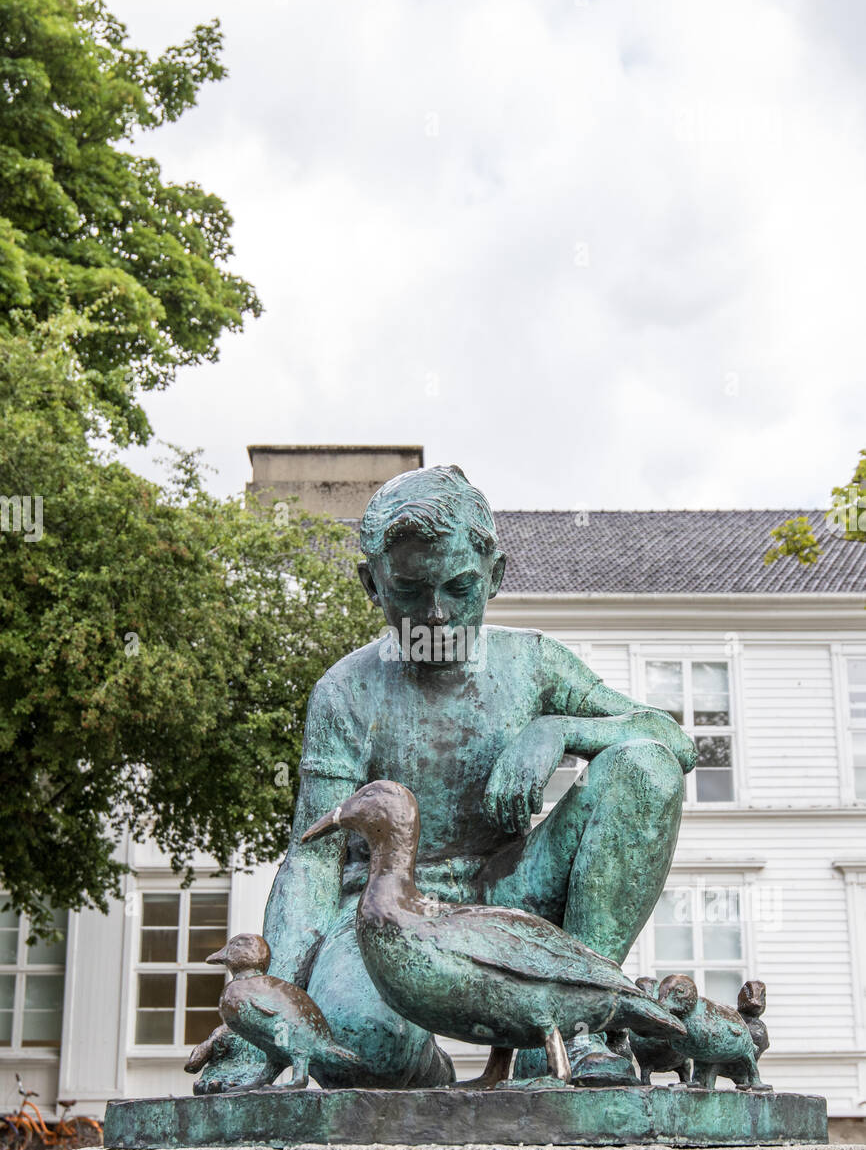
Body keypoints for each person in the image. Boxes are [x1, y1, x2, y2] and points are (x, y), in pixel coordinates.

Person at [196, 465, 696, 1091]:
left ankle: (577, 1027)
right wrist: (267, 1023)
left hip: (511, 897)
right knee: (356, 1048)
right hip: (382, 911)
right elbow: (312, 863)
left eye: (459, 588)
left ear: (496, 576)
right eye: (409, 592)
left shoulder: (532, 664)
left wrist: (558, 731)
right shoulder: (345, 694)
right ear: (371, 586)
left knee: (643, 767)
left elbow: (673, 741)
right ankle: (423, 1074)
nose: (436, 615)